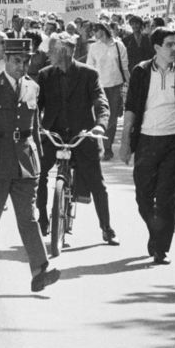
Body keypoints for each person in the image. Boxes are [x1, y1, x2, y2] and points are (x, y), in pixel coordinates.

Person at [0, 37, 60, 292]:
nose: (22, 66)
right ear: (5, 60)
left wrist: (39, 157)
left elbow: (34, 126)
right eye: (17, 61)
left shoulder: (32, 87)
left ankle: (40, 270)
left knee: (28, 218)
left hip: (25, 163)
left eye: (26, 61)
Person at [119, 28, 175, 265]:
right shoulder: (141, 72)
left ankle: (161, 247)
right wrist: (125, 142)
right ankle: (155, 232)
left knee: (166, 199)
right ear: (156, 48)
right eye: (169, 44)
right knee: (143, 198)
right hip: (146, 141)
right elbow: (130, 107)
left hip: (174, 142)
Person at [36, 32, 116, 243]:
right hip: (53, 134)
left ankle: (106, 228)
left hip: (82, 135)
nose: (48, 55)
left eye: (51, 51)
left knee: (97, 183)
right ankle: (42, 217)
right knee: (39, 173)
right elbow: (36, 106)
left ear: (64, 51)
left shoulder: (89, 74)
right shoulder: (45, 75)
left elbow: (100, 102)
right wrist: (35, 126)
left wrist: (100, 126)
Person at [86, 22, 128, 160]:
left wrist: (129, 85)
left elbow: (125, 67)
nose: (94, 34)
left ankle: (108, 147)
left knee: (112, 117)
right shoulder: (93, 47)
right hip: (98, 86)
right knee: (97, 116)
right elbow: (89, 67)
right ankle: (98, 146)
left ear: (103, 30)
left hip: (115, 86)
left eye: (95, 30)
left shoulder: (118, 45)